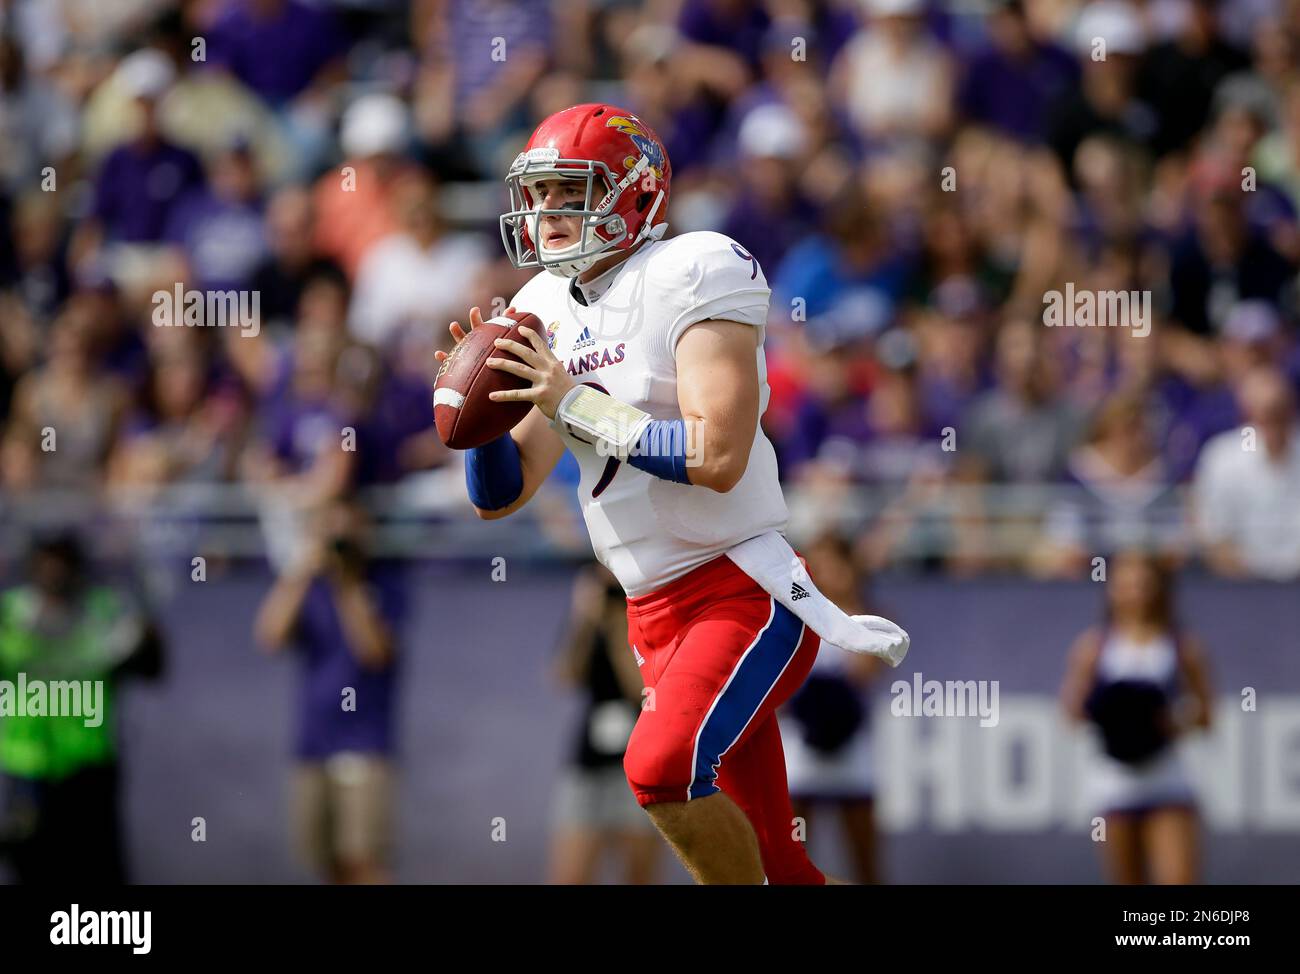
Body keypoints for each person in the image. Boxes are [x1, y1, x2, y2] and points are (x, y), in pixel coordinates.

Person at [437, 103, 909, 885]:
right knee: (776, 858)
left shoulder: (693, 268)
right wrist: (477, 416)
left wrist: (572, 402)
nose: (547, 213)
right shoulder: (545, 306)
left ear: (632, 195)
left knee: (658, 767)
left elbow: (718, 455)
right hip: (650, 612)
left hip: (741, 587)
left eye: (569, 192)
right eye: (539, 195)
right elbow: (501, 494)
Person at [0, 531, 165, 884]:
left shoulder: (104, 611)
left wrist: (148, 634)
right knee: (30, 867)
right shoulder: (9, 614)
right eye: (46, 559)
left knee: (97, 872)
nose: (54, 570)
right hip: (28, 770)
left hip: (90, 770)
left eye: (63, 559)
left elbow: (150, 668)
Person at [254, 497, 404, 885]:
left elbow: (374, 650)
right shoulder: (307, 587)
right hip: (313, 743)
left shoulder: (383, 583)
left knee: (364, 862)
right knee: (328, 864)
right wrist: (302, 569)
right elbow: (270, 636)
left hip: (365, 744)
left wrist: (347, 583)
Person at [1059, 550, 1213, 884]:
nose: (1135, 592)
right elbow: (1071, 713)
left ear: (1160, 588)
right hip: (1115, 783)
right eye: (1126, 584)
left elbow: (1207, 717)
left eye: (1144, 584)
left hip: (1167, 779)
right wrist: (1110, 713)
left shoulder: (1182, 647)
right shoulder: (1094, 647)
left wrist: (1167, 722)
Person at [779, 533, 887, 884]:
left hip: (851, 751)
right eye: (818, 565)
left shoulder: (868, 618)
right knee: (792, 860)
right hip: (799, 756)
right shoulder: (789, 618)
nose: (825, 573)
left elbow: (866, 673)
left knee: (865, 862)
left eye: (833, 564)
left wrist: (847, 606)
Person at [548, 564, 659, 885]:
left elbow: (637, 689)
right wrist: (582, 619)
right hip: (588, 762)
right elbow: (566, 676)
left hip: (638, 766)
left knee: (638, 874)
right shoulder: (587, 619)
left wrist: (616, 626)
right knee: (570, 875)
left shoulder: (644, 618)